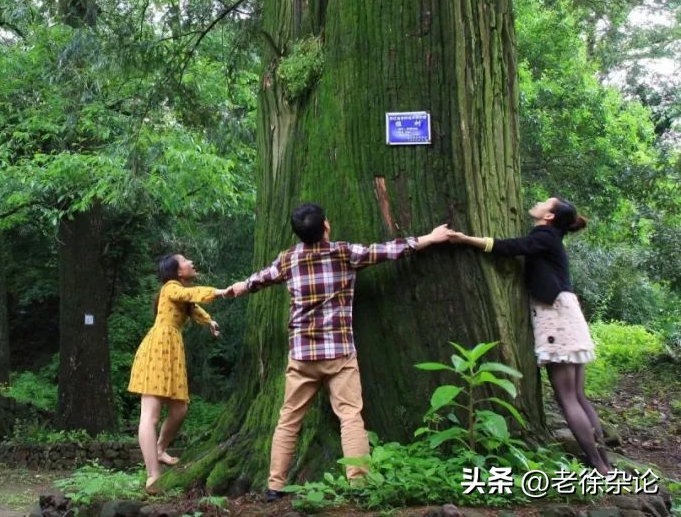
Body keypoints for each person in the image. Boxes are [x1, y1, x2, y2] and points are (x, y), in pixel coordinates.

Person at [226, 203, 450, 500]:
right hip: (339, 354)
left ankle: (275, 485)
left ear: (298, 234)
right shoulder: (343, 253)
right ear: (326, 227)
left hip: (302, 355)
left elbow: (261, 278)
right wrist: (430, 238)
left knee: (289, 420)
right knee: (350, 416)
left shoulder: (288, 259)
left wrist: (240, 286)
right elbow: (388, 250)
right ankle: (358, 483)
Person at [446, 197, 610, 475]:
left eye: (547, 202)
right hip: (567, 314)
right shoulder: (551, 236)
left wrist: (465, 239)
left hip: (556, 317)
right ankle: (604, 461)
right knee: (578, 396)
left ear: (548, 216)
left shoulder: (544, 235)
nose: (539, 202)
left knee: (568, 398)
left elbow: (510, 247)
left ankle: (599, 465)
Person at [128, 254, 227, 493]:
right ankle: (153, 476)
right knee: (150, 416)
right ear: (177, 272)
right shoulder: (171, 287)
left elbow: (192, 307)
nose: (191, 263)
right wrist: (222, 291)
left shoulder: (181, 293)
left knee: (180, 409)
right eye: (185, 261)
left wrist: (210, 322)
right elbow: (188, 295)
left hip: (172, 352)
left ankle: (160, 448)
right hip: (158, 348)